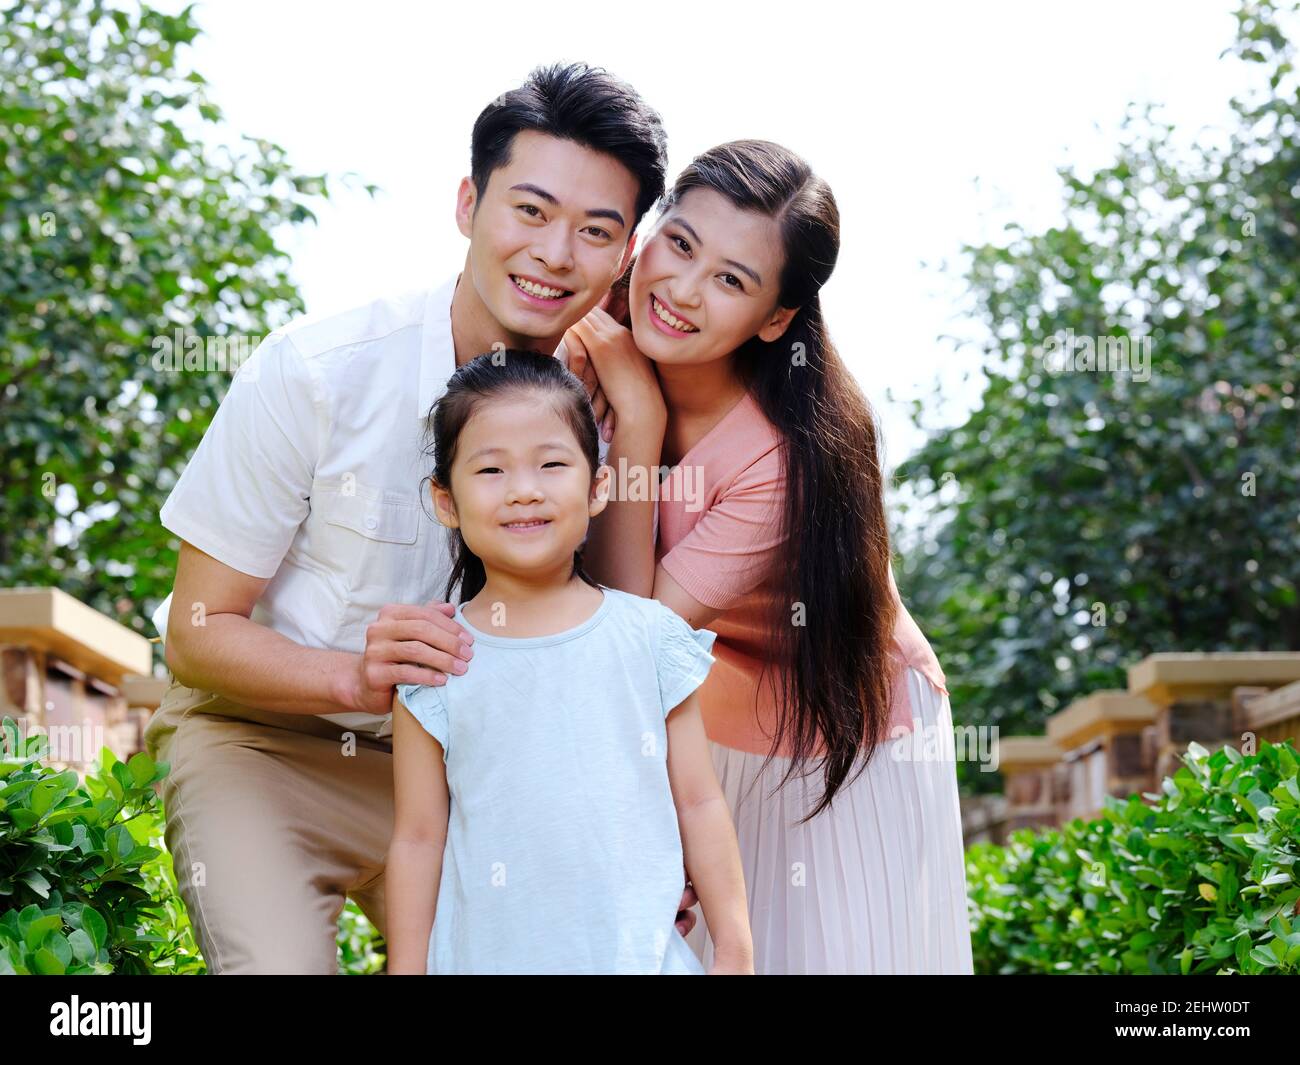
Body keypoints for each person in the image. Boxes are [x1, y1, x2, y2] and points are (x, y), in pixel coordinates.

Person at [140, 62, 705, 974]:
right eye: (530, 210)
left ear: (625, 253)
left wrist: (636, 424)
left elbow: (620, 646)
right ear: (467, 204)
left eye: (595, 231)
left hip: (482, 771)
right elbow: (197, 635)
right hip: (271, 746)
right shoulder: (315, 372)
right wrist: (350, 675)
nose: (557, 254)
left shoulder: (611, 401)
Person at [562, 140, 975, 974]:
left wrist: (637, 418)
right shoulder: (588, 329)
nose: (680, 290)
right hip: (704, 716)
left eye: (731, 280)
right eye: (679, 243)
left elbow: (631, 638)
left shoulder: (782, 462)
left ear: (776, 318)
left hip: (846, 731)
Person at [386, 350, 752, 974]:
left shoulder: (649, 637)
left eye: (552, 464)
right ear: (445, 501)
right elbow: (419, 839)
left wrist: (735, 949)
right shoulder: (436, 665)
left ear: (598, 486)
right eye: (491, 469)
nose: (525, 490)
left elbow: (699, 801)